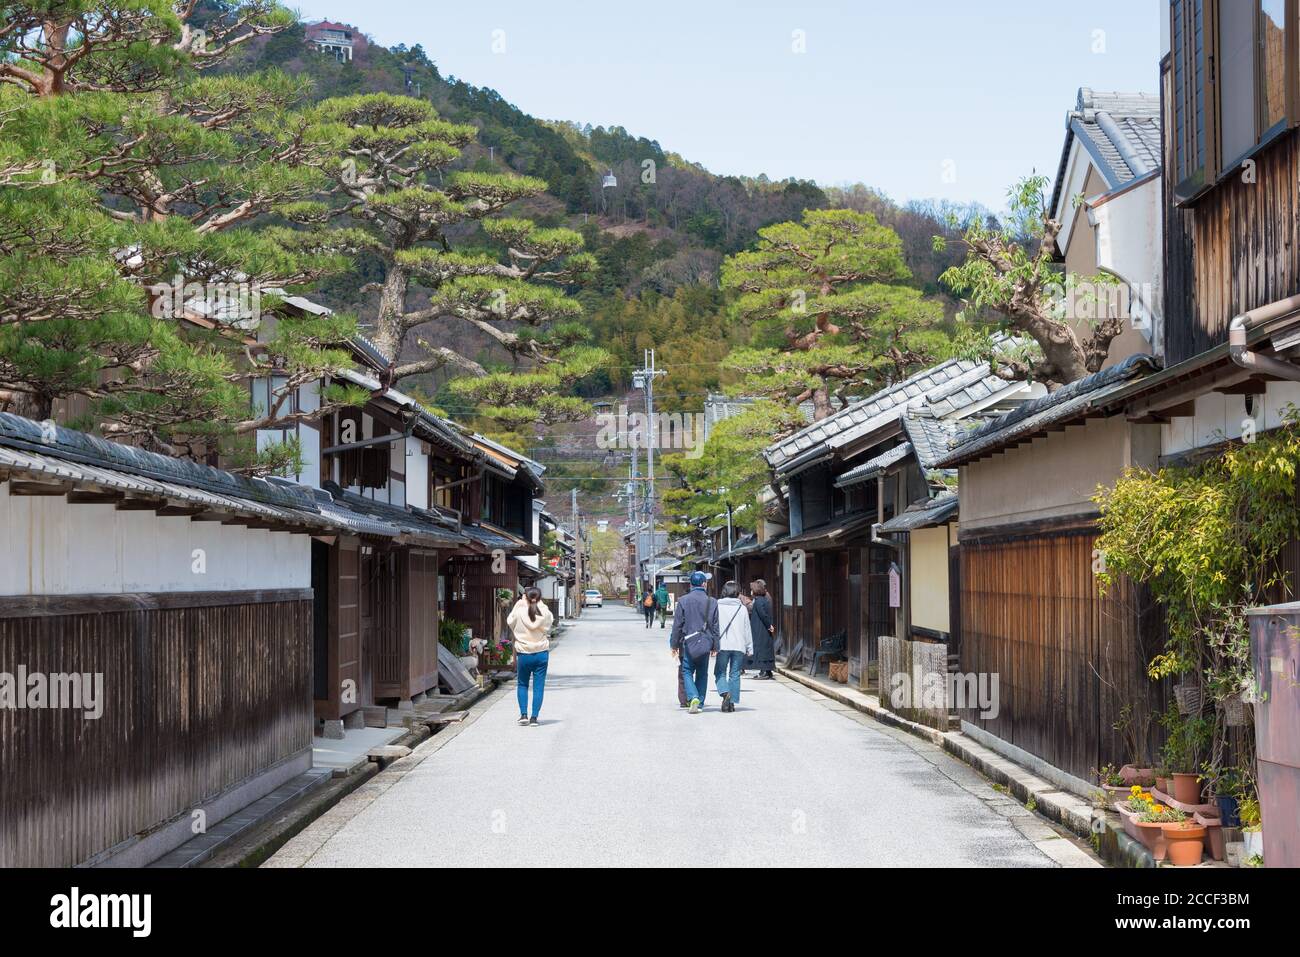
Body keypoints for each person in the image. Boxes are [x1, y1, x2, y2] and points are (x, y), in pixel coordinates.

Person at [669, 570, 719, 714]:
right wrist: (716, 645)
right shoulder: (712, 601)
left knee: (687, 670)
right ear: (704, 584)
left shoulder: (683, 600)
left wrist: (674, 645)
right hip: (706, 642)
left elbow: (677, 625)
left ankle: (693, 697)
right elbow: (715, 626)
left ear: (691, 584)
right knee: (703, 673)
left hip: (688, 643)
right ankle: (700, 703)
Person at [507, 586, 553, 726]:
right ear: (539, 598)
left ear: (525, 597)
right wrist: (538, 603)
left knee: (522, 684)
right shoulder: (544, 611)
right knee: (538, 686)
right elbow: (550, 620)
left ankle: (523, 715)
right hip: (541, 653)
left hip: (524, 654)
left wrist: (519, 604)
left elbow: (510, 621)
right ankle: (534, 718)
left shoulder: (520, 611)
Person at [714, 581, 753, 712]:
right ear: (737, 593)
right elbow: (747, 629)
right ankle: (731, 703)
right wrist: (750, 647)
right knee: (735, 674)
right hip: (739, 645)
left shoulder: (717, 606)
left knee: (719, 672)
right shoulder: (742, 608)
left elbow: (714, 627)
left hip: (722, 645)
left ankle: (725, 693)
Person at [748, 579, 776, 679]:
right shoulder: (763, 599)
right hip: (764, 628)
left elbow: (763, 615)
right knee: (766, 648)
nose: (750, 591)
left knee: (761, 649)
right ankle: (768, 671)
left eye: (752, 589)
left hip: (761, 628)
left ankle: (764, 671)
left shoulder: (759, 601)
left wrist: (769, 625)